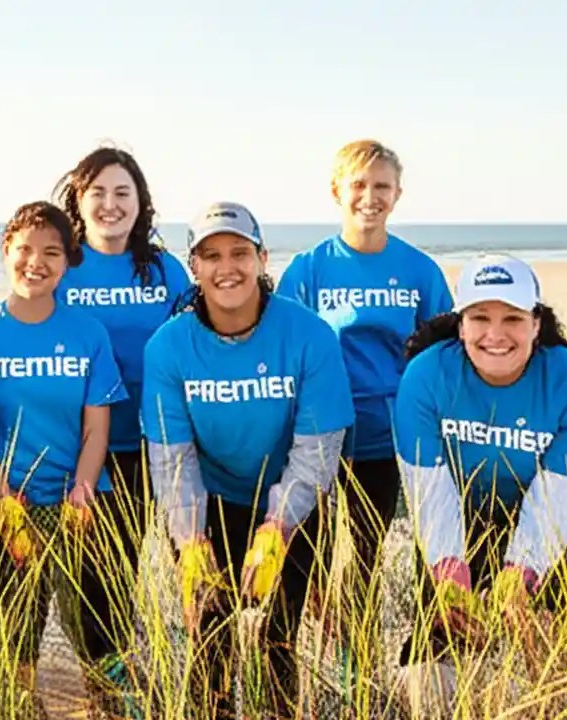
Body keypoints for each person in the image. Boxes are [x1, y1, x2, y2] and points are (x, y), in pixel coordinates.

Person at [142, 201, 355, 717]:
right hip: (211, 502)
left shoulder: (309, 336)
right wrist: (190, 539)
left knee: (277, 638)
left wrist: (277, 527)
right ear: (194, 268)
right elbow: (172, 459)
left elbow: (318, 450)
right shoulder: (168, 346)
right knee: (210, 637)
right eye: (211, 255)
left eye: (240, 252)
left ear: (262, 258)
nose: (227, 267)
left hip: (293, 504)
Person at [392, 254, 567, 710]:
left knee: (544, 643)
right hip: (456, 514)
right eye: (480, 318)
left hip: (540, 514)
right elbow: (429, 486)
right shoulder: (426, 376)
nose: (495, 334)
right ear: (461, 324)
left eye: (512, 318)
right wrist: (449, 570)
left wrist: (522, 572)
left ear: (536, 323)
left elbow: (560, 494)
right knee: (437, 647)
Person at [275, 139, 453, 667]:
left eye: (381, 186)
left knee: (364, 558)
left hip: (384, 437)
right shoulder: (308, 270)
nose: (369, 197)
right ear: (337, 192)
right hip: (313, 441)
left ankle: (356, 668)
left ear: (397, 195)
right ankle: (283, 673)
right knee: (300, 562)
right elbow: (283, 347)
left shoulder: (419, 271)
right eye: (358, 185)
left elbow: (442, 353)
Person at [0, 201, 128, 716]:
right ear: (5, 251)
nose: (37, 261)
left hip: (79, 505)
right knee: (13, 632)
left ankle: (109, 707)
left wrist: (83, 487)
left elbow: (97, 425)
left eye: (51, 252)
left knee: (98, 629)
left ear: (68, 262)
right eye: (25, 249)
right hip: (8, 504)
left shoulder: (88, 333)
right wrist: (2, 499)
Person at [51, 146, 192, 688]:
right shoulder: (64, 265)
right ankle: (107, 686)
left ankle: (192, 681)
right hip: (88, 449)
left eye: (122, 193)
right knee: (103, 578)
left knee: (182, 566)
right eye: (98, 193)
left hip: (161, 443)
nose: (110, 205)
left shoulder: (163, 268)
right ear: (78, 201)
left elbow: (192, 344)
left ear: (141, 203)